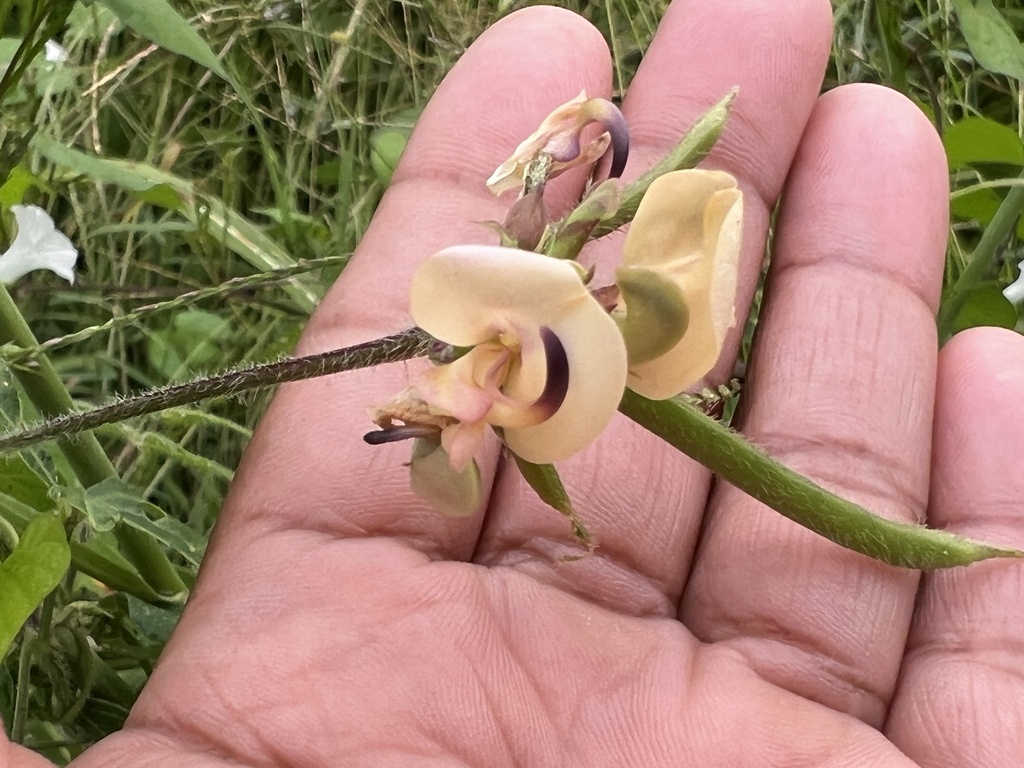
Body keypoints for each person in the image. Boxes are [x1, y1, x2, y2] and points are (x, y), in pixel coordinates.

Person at [6, 2, 1024, 766]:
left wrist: (527, 362)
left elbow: (555, 367)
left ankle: (979, 553)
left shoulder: (542, 358)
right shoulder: (526, 360)